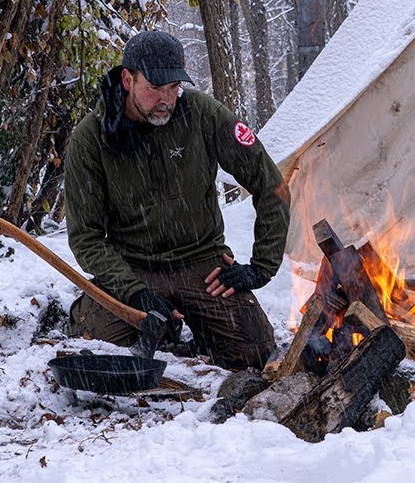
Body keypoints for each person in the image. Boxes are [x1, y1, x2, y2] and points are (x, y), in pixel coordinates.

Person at [63, 30, 288, 369]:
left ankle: (193, 326)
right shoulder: (90, 138)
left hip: (201, 261)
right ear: (127, 79)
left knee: (254, 351)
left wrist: (260, 268)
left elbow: (271, 185)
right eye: (155, 87)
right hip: (132, 266)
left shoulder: (202, 114)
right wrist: (135, 292)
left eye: (173, 87)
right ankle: (111, 313)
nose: (166, 99)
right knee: (99, 350)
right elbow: (86, 238)